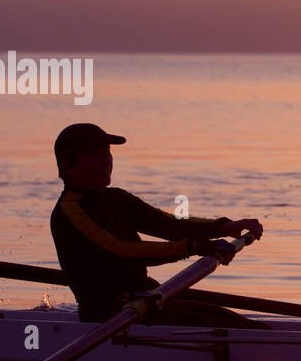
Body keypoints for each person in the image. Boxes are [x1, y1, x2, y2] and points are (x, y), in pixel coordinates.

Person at [50, 123, 263, 328]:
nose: (106, 160)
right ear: (69, 164)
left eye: (107, 152)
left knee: (242, 325)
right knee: (218, 326)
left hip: (146, 299)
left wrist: (222, 227)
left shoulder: (116, 198)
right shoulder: (70, 211)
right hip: (108, 316)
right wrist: (195, 247)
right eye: (96, 154)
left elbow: (169, 225)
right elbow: (123, 250)